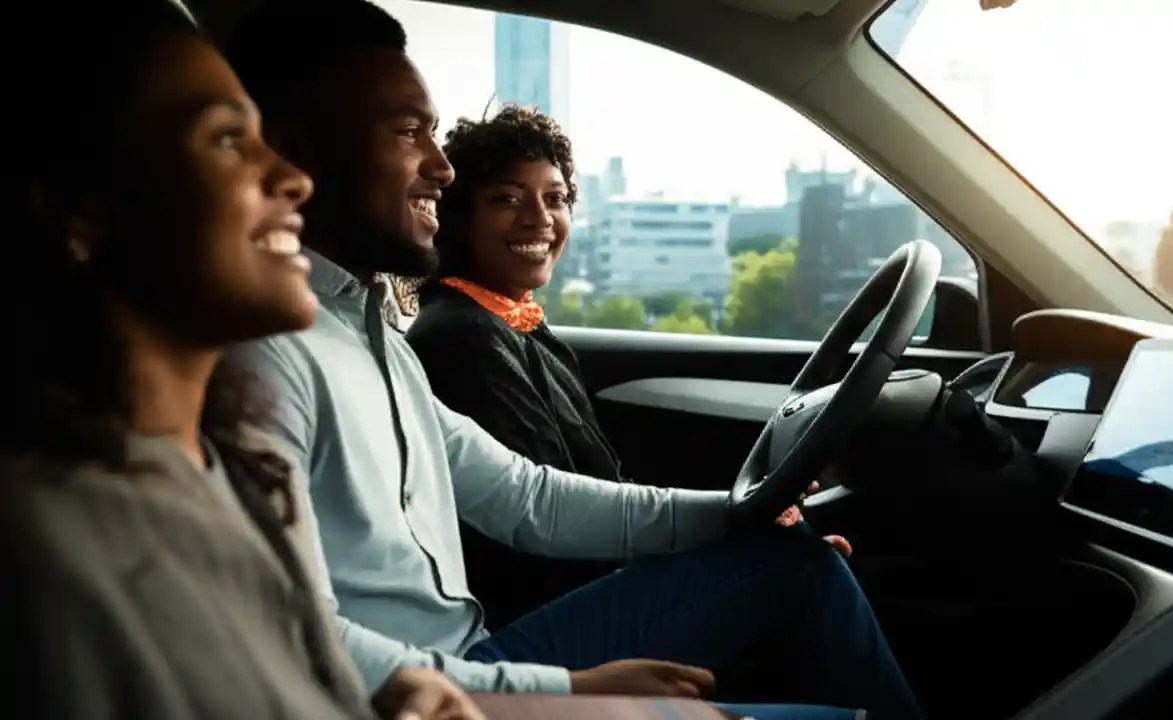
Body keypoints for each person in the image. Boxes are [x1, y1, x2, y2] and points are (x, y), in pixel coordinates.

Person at [225, 2, 919, 718]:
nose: (439, 167)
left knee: (790, 560)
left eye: (434, 134)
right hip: (427, 693)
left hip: (477, 659)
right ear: (293, 150)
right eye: (408, 133)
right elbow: (293, 635)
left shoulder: (374, 340)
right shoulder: (262, 357)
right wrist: (562, 690)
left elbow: (529, 498)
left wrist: (736, 515)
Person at [2, 3, 483, 719]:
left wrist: (394, 696)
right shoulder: (45, 548)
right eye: (229, 139)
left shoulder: (236, 470)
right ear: (83, 208)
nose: (291, 177)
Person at [404, 106, 848, 625]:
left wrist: (740, 526)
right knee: (804, 569)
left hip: (584, 578)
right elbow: (546, 527)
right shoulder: (462, 340)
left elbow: (598, 488)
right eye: (507, 199)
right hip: (545, 610)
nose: (539, 218)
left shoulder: (514, 326)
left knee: (798, 561)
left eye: (556, 199)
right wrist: (726, 546)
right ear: (458, 217)